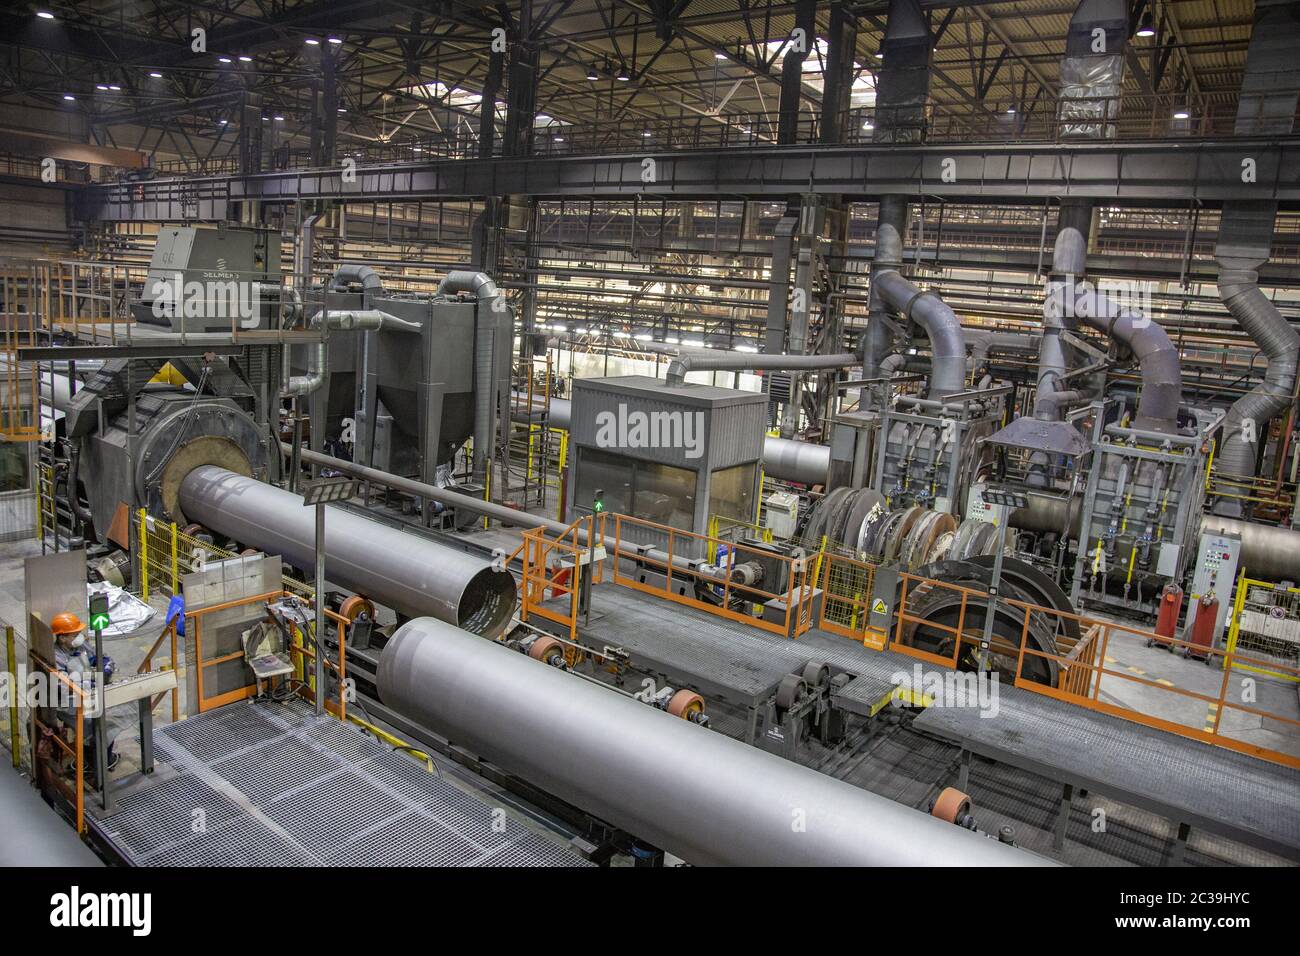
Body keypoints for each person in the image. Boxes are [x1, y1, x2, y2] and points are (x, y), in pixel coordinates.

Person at [50, 612, 119, 773]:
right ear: (62, 638)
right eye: (74, 634)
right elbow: (65, 686)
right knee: (91, 725)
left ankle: (104, 759)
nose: (78, 636)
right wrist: (92, 682)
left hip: (91, 696)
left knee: (111, 718)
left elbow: (102, 657)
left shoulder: (80, 646)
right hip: (68, 703)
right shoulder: (57, 657)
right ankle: (90, 764)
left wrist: (106, 667)